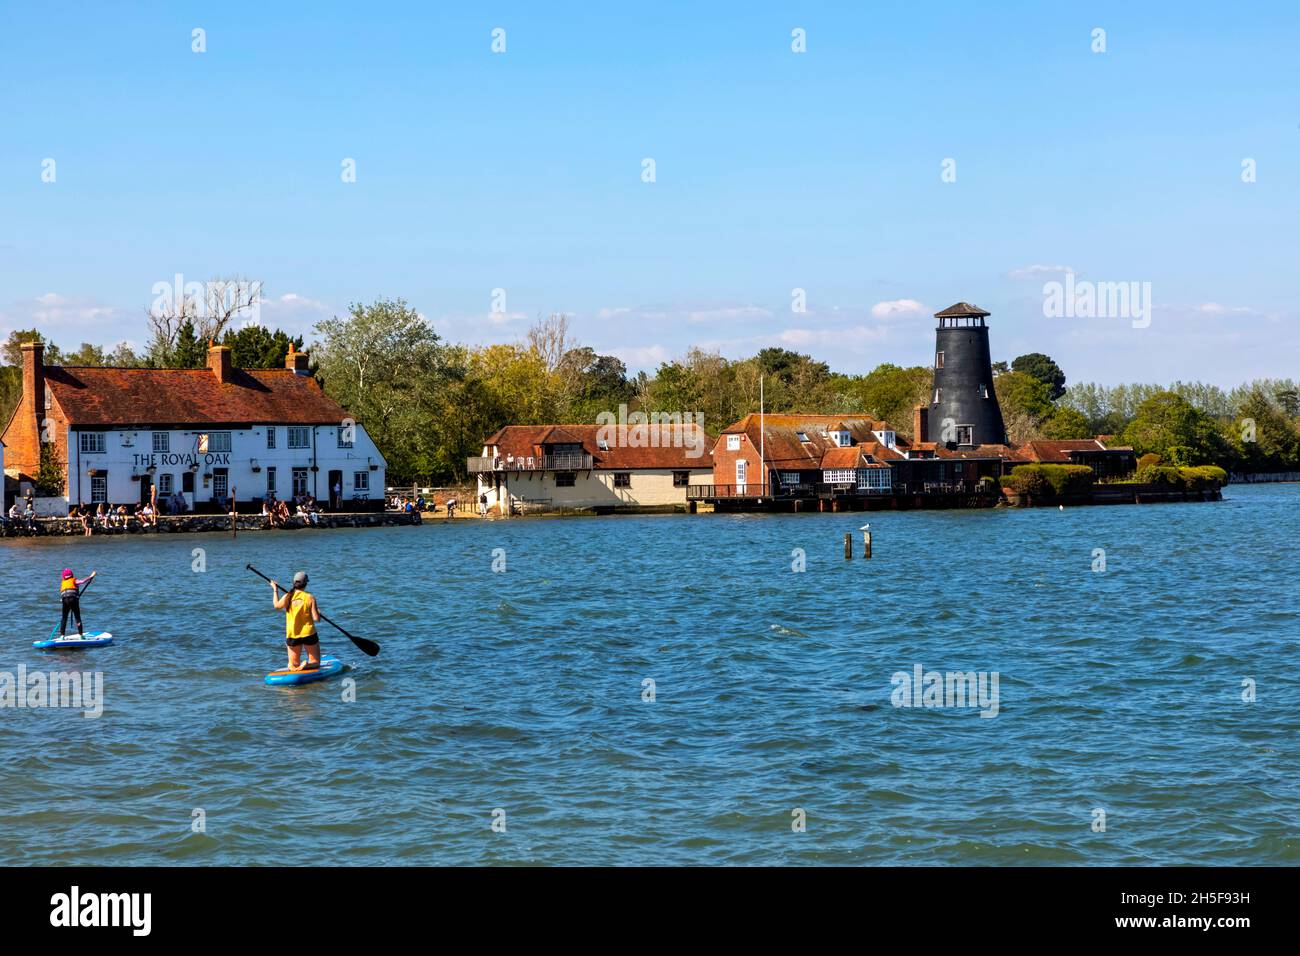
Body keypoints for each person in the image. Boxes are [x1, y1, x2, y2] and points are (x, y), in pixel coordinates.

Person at [270, 571, 321, 671]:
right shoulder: (310, 597)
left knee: (293, 664)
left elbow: (276, 605)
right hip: (308, 633)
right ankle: (308, 665)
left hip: (293, 634)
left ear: (294, 582)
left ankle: (293, 667)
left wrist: (275, 590)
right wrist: (318, 612)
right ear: (306, 583)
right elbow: (316, 619)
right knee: (316, 662)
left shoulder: (287, 596)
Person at [58, 568, 96, 637]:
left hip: (64, 600)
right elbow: (82, 581)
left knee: (64, 618)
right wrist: (91, 576)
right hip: (73, 599)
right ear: (71, 575)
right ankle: (81, 635)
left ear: (63, 576)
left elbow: (63, 593)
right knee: (77, 617)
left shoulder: (63, 583)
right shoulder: (74, 580)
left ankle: (62, 636)